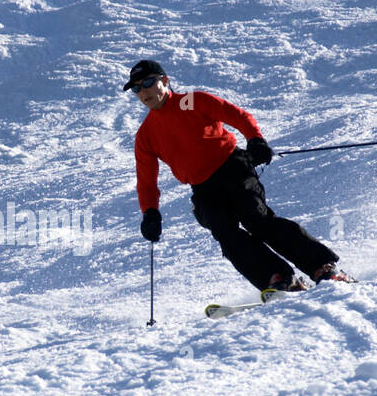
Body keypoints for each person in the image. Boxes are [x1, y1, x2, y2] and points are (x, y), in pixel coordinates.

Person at [126, 59, 352, 296]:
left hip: (232, 168)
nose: (143, 92)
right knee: (227, 235)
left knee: (256, 219)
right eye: (136, 88)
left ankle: (321, 268)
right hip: (203, 189)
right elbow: (146, 181)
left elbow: (237, 115)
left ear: (165, 81)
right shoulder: (145, 135)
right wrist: (150, 212)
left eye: (148, 83)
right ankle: (279, 278)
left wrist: (255, 139)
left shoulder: (189, 101)